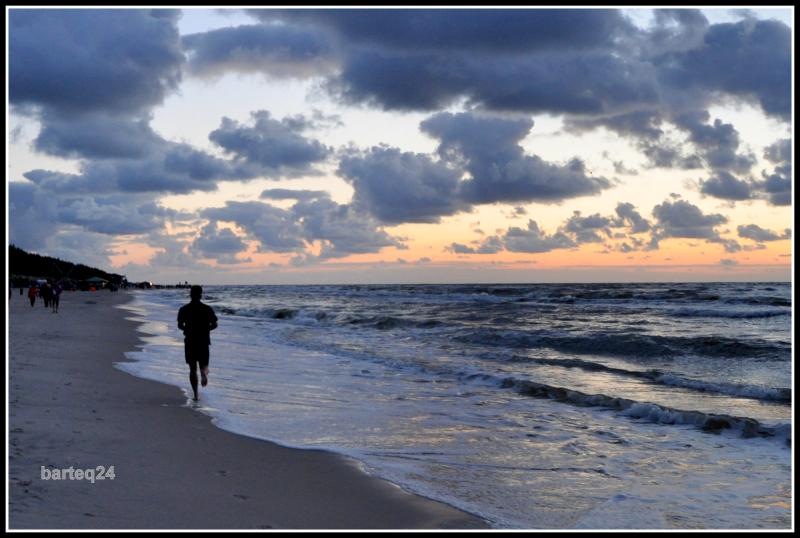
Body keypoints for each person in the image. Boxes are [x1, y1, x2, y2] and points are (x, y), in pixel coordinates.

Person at [177, 285, 218, 400]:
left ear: (190, 294)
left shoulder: (184, 309)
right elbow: (215, 324)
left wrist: (186, 329)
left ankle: (195, 395)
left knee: (192, 369)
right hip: (203, 341)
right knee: (204, 365)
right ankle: (204, 373)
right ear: (201, 295)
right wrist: (206, 329)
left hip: (190, 341)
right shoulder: (207, 309)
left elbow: (180, 325)